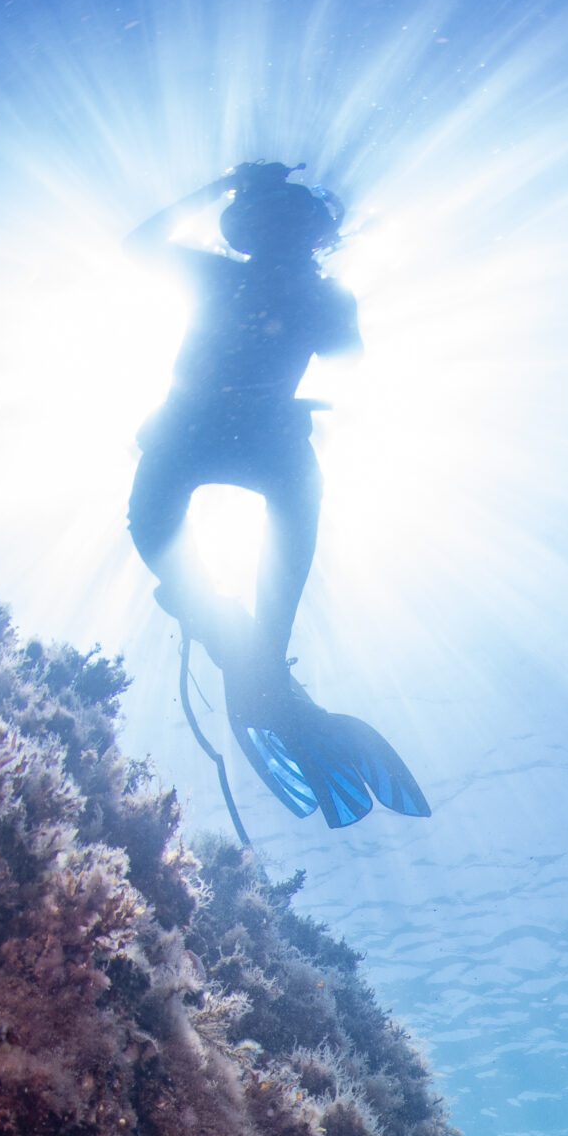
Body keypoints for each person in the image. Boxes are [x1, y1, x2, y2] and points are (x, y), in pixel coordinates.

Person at [126, 162, 427, 828]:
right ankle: (248, 653)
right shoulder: (238, 278)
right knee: (163, 527)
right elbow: (347, 356)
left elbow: (347, 356)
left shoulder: (236, 278)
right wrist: (223, 188)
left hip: (229, 428)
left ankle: (256, 657)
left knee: (169, 526)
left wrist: (223, 190)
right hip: (220, 427)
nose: (281, 240)